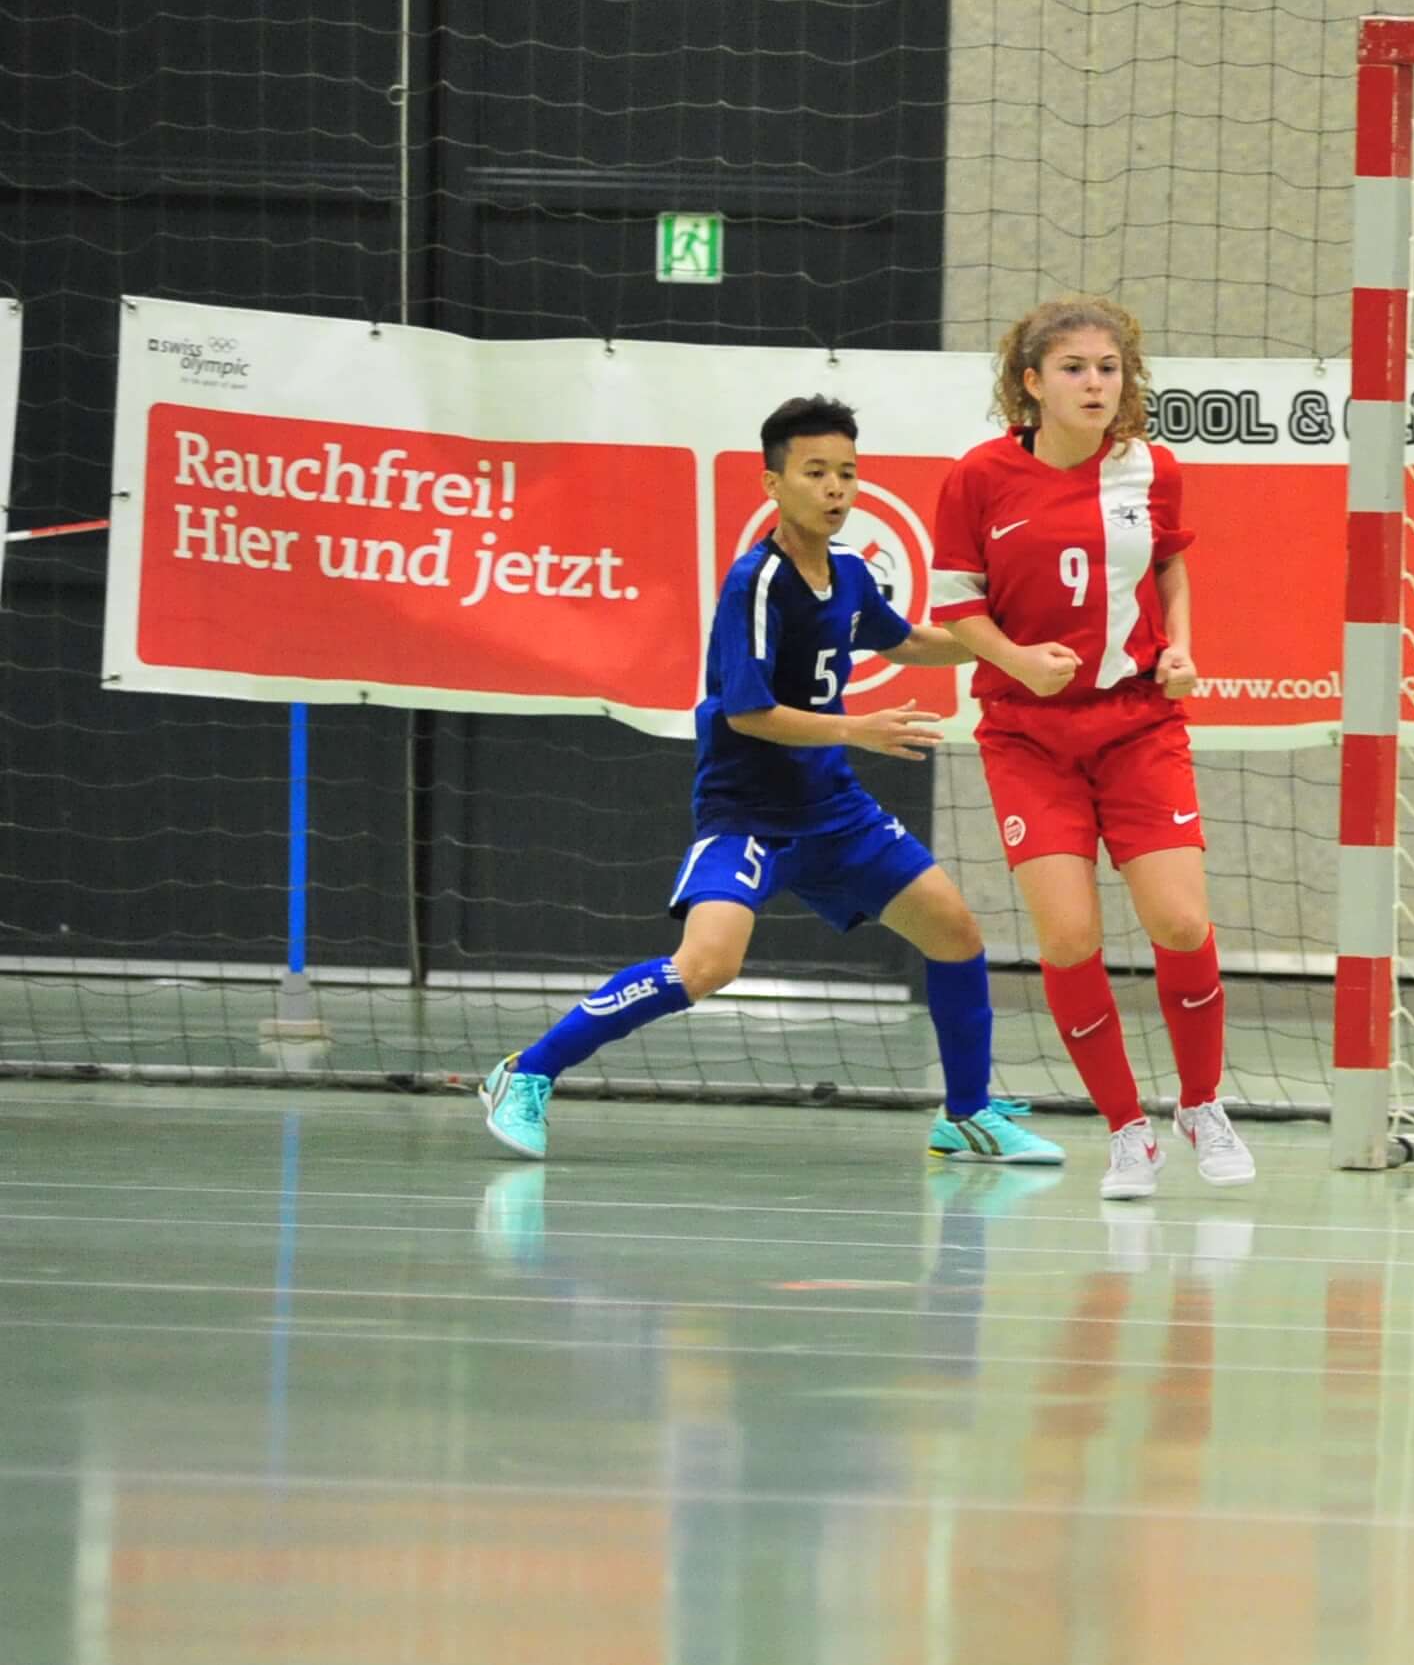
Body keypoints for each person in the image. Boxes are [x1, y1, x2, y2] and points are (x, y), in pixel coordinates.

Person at [476, 396, 1059, 1169]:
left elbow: (911, 640)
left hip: (834, 809)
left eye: (847, 473)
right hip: (748, 812)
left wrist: (1006, 643)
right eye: (816, 472)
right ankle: (525, 1073)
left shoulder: (849, 572)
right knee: (707, 966)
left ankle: (967, 1115)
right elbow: (749, 713)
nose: (836, 489)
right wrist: (859, 728)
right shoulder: (757, 581)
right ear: (771, 484)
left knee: (955, 933)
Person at [931, 295, 1240, 1201]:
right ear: (1032, 386)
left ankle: (1201, 1105)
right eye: (1074, 369)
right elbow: (956, 606)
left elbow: (1173, 563)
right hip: (1028, 737)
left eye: (1108, 368)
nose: (1096, 383)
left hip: (1140, 723)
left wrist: (1179, 646)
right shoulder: (979, 477)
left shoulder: (1151, 469)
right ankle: (1125, 1131)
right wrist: (1018, 660)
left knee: (1181, 922)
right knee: (1068, 938)